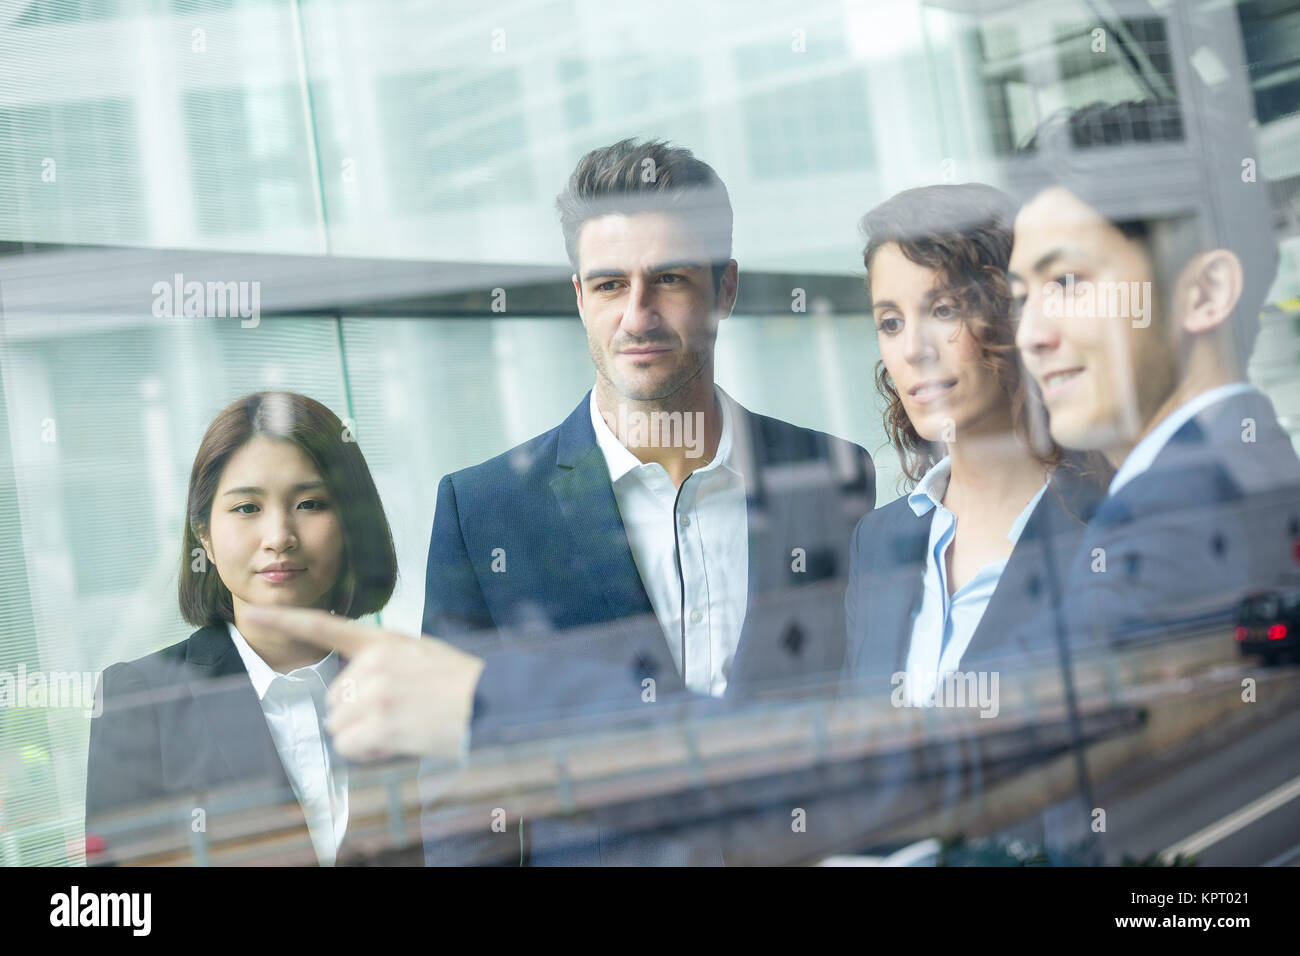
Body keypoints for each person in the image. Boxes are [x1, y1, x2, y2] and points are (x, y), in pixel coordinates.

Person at [1008, 97, 1300, 651]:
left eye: (1066, 282)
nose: (1029, 334)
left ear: (1206, 293)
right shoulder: (1258, 461)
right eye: (1022, 298)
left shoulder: (1172, 513)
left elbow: (1007, 708)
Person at [85, 392, 399, 866]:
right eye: (247, 508)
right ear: (204, 536)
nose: (279, 538)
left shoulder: (405, 684)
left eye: (310, 503)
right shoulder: (141, 698)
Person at [843, 184, 1107, 700]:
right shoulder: (877, 542)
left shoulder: (1103, 517)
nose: (914, 350)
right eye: (891, 323)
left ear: (1014, 314)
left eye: (944, 310)